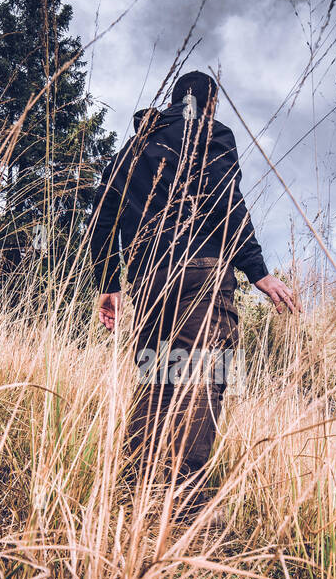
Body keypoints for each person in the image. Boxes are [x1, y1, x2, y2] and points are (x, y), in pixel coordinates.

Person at [88, 70, 299, 515]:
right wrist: (257, 271)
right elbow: (226, 200)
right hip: (200, 274)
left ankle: (134, 491)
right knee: (205, 377)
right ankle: (185, 508)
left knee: (159, 381)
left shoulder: (132, 148)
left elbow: (102, 220)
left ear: (172, 97)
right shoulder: (211, 131)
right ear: (212, 102)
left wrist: (109, 284)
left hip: (147, 285)